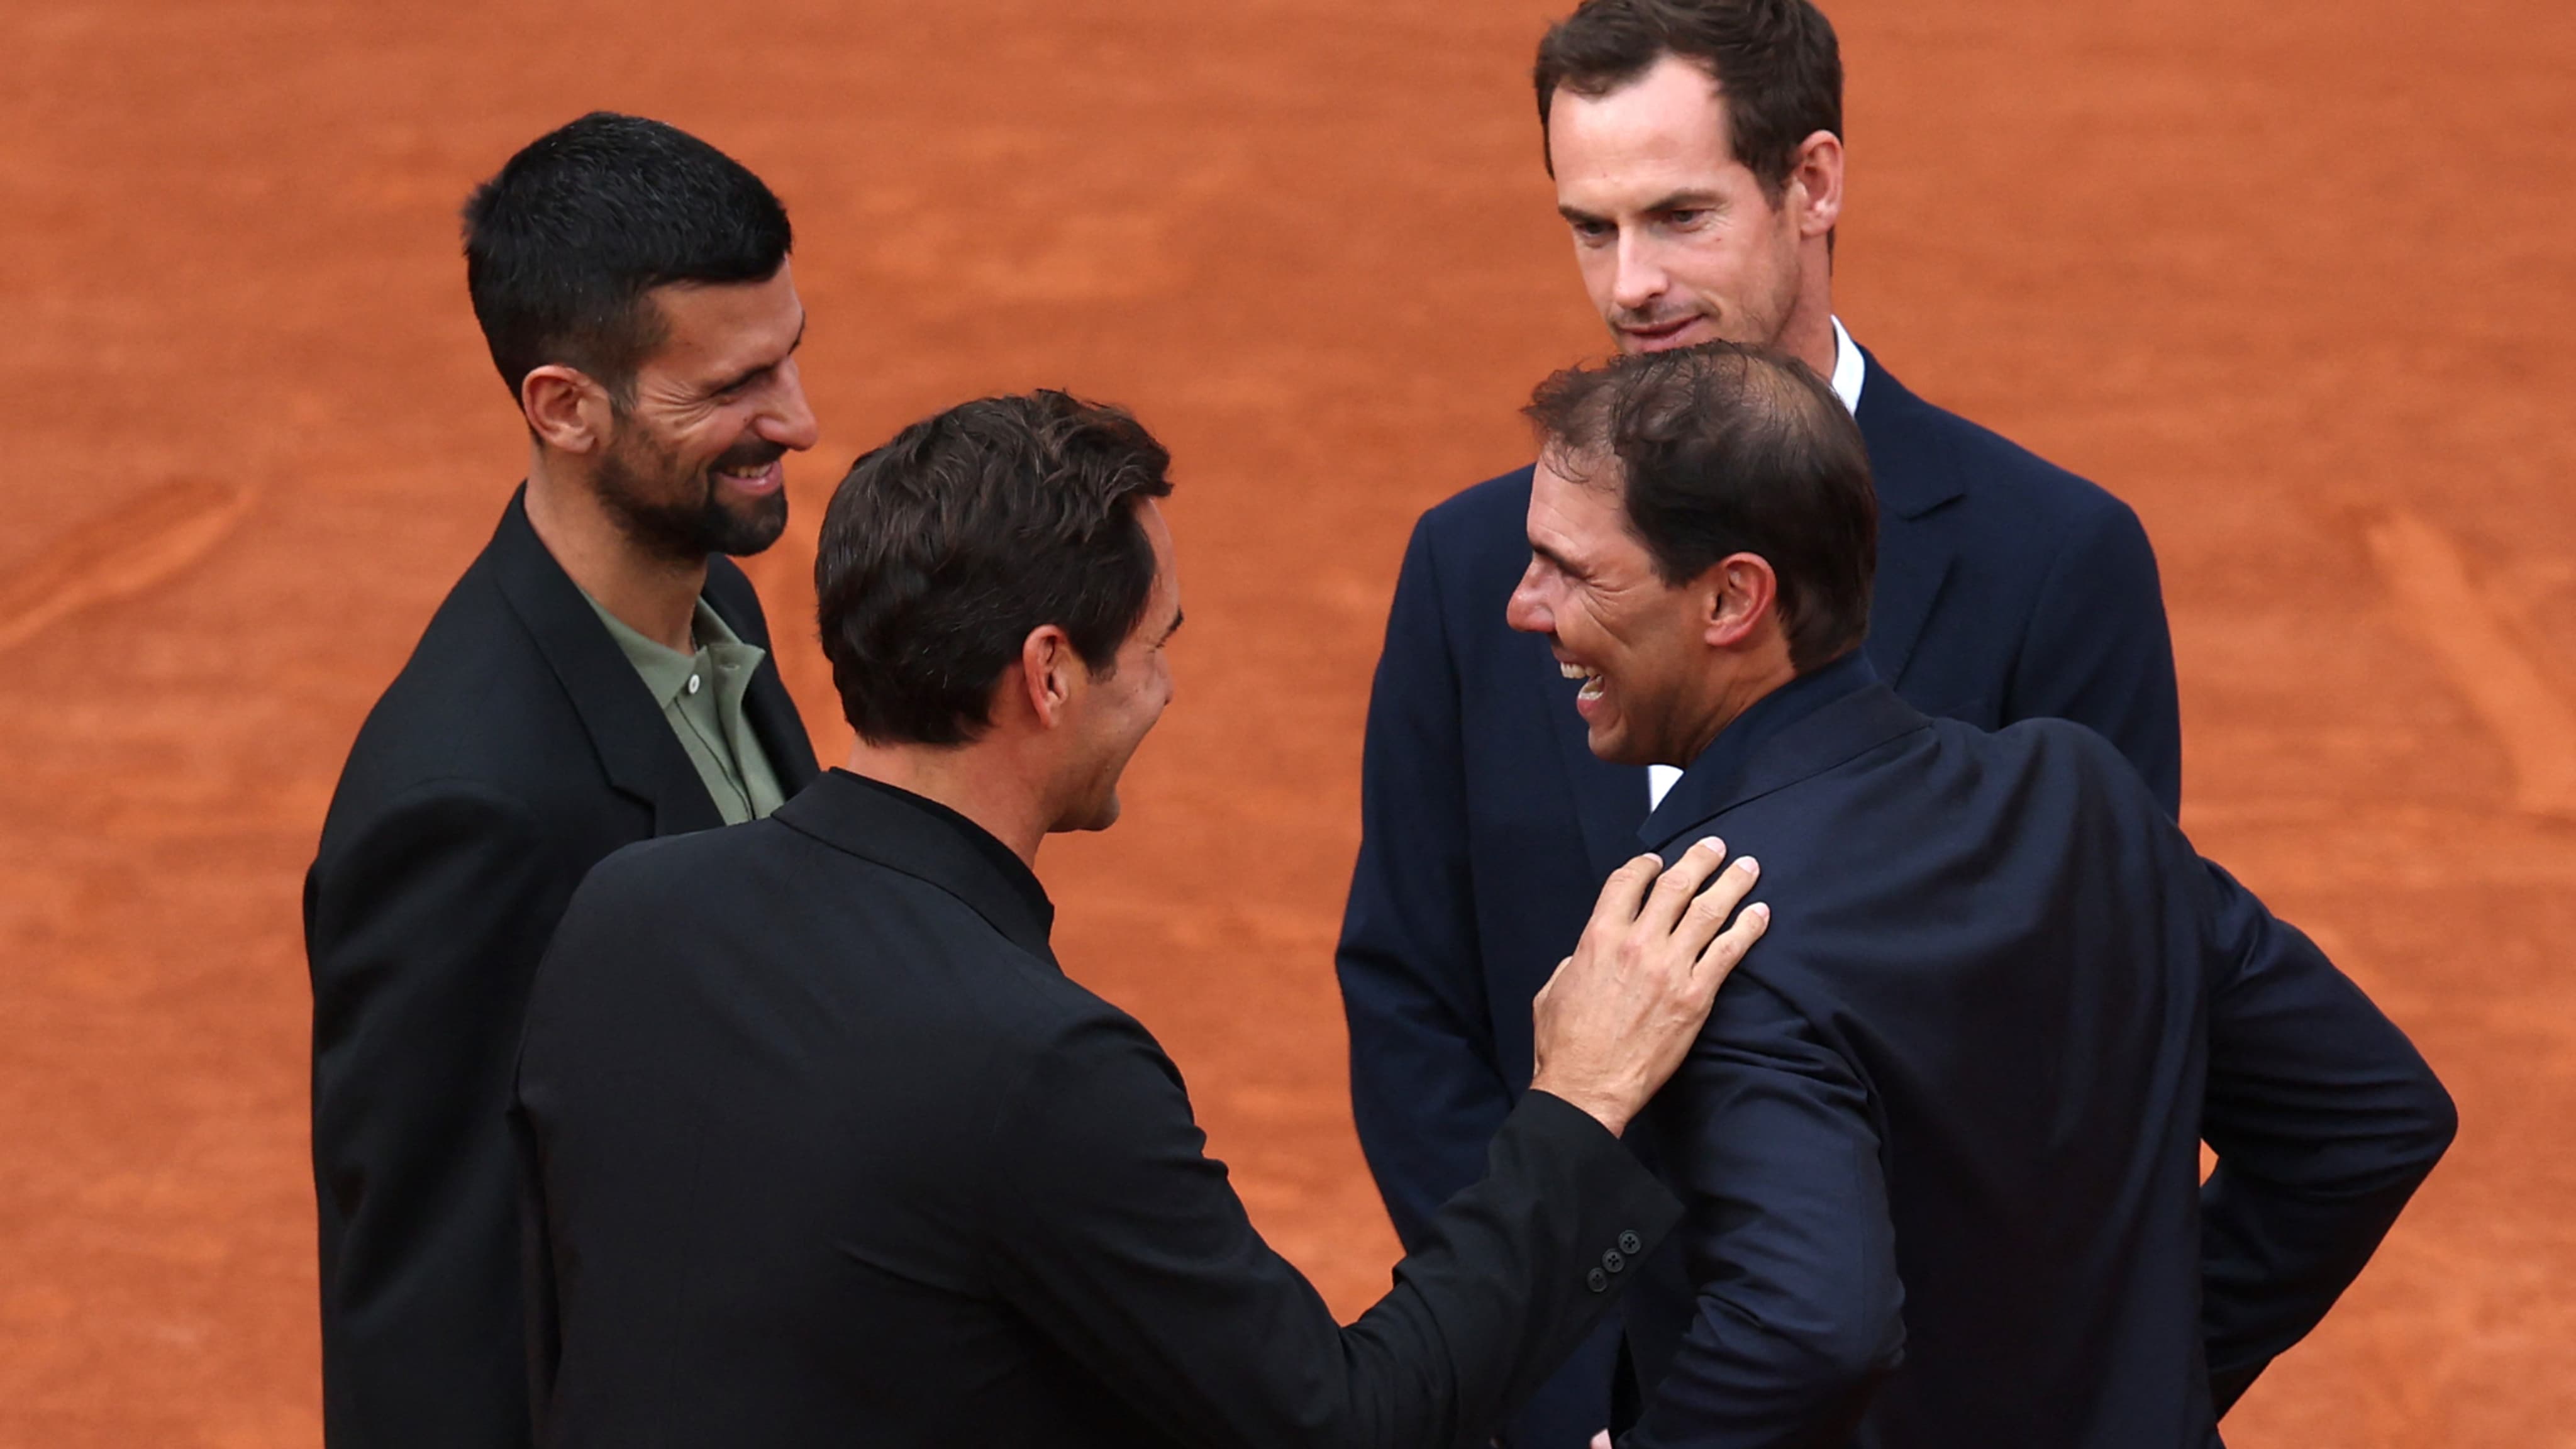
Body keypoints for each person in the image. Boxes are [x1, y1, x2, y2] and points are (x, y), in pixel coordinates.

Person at [510, 390, 1775, 1448]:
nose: (1166, 687)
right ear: (1050, 674)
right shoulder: (1036, 1064)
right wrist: (1579, 1102)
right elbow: (1337, 1426)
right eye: (1156, 644)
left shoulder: (626, 913)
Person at [1337, 3, 2184, 1439]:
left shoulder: (2054, 561)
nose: (1632, 285)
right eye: (1589, 228)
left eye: (1677, 216)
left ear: (1813, 183)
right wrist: (1558, 1381)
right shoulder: (1476, 568)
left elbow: (2088, 1045)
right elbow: (1413, 998)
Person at [1505, 342, 2452, 1445]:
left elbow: (1814, 1331)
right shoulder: (2081, 797)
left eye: (1572, 570)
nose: (1528, 606)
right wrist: (2138, 1389)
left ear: (1732, 599)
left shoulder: (1705, 927)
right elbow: (2367, 1119)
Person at [303, 113, 823, 1448]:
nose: (798, 422)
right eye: (730, 390)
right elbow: (429, 1310)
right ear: (564, 407)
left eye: (789, 357)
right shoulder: (461, 809)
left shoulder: (724, 618)